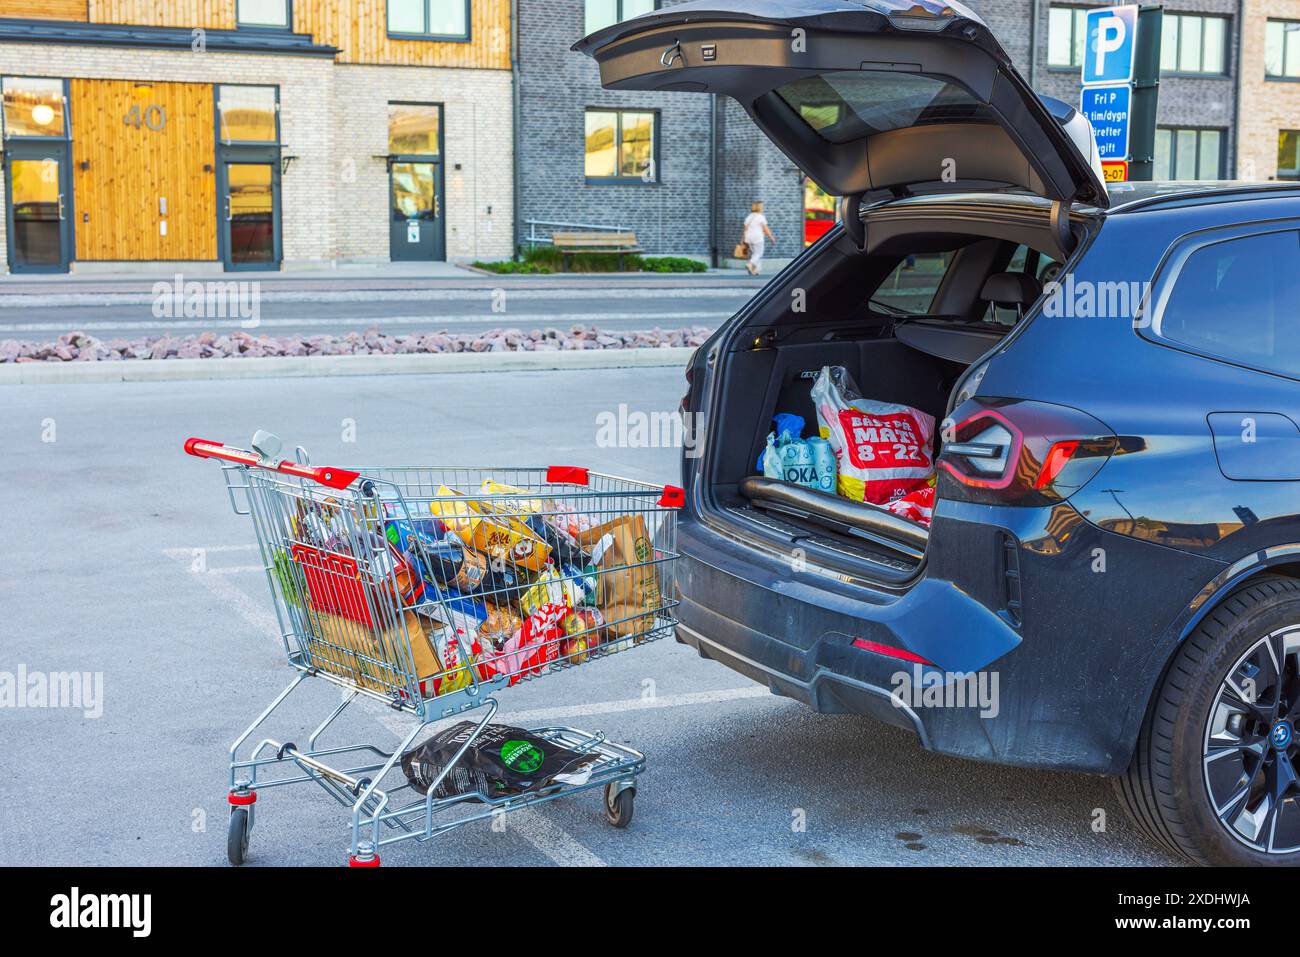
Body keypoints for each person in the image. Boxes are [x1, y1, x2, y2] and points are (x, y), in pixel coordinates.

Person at [742, 202, 776, 275]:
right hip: (757, 237)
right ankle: (750, 264)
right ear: (759, 208)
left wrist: (743, 239)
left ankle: (755, 270)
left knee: (755, 254)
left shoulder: (749, 217)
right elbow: (766, 229)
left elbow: (745, 229)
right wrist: (771, 237)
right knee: (759, 253)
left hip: (749, 238)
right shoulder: (760, 217)